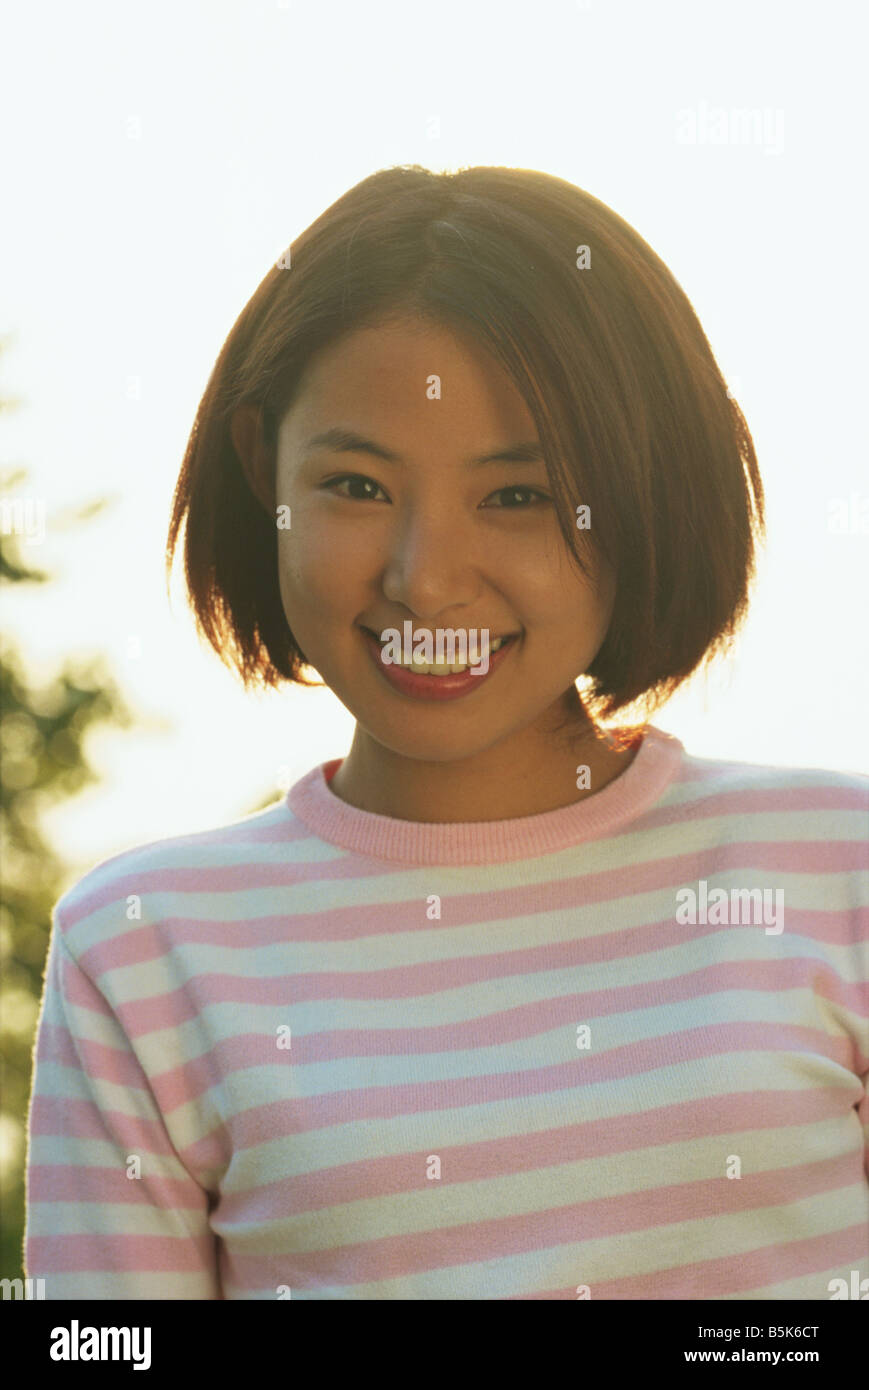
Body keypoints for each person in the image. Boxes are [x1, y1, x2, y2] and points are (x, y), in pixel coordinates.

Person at [24, 165, 868, 1300]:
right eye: (358, 485)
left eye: (517, 497)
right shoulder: (141, 947)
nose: (425, 580)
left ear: (645, 492)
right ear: (255, 463)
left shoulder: (835, 868)